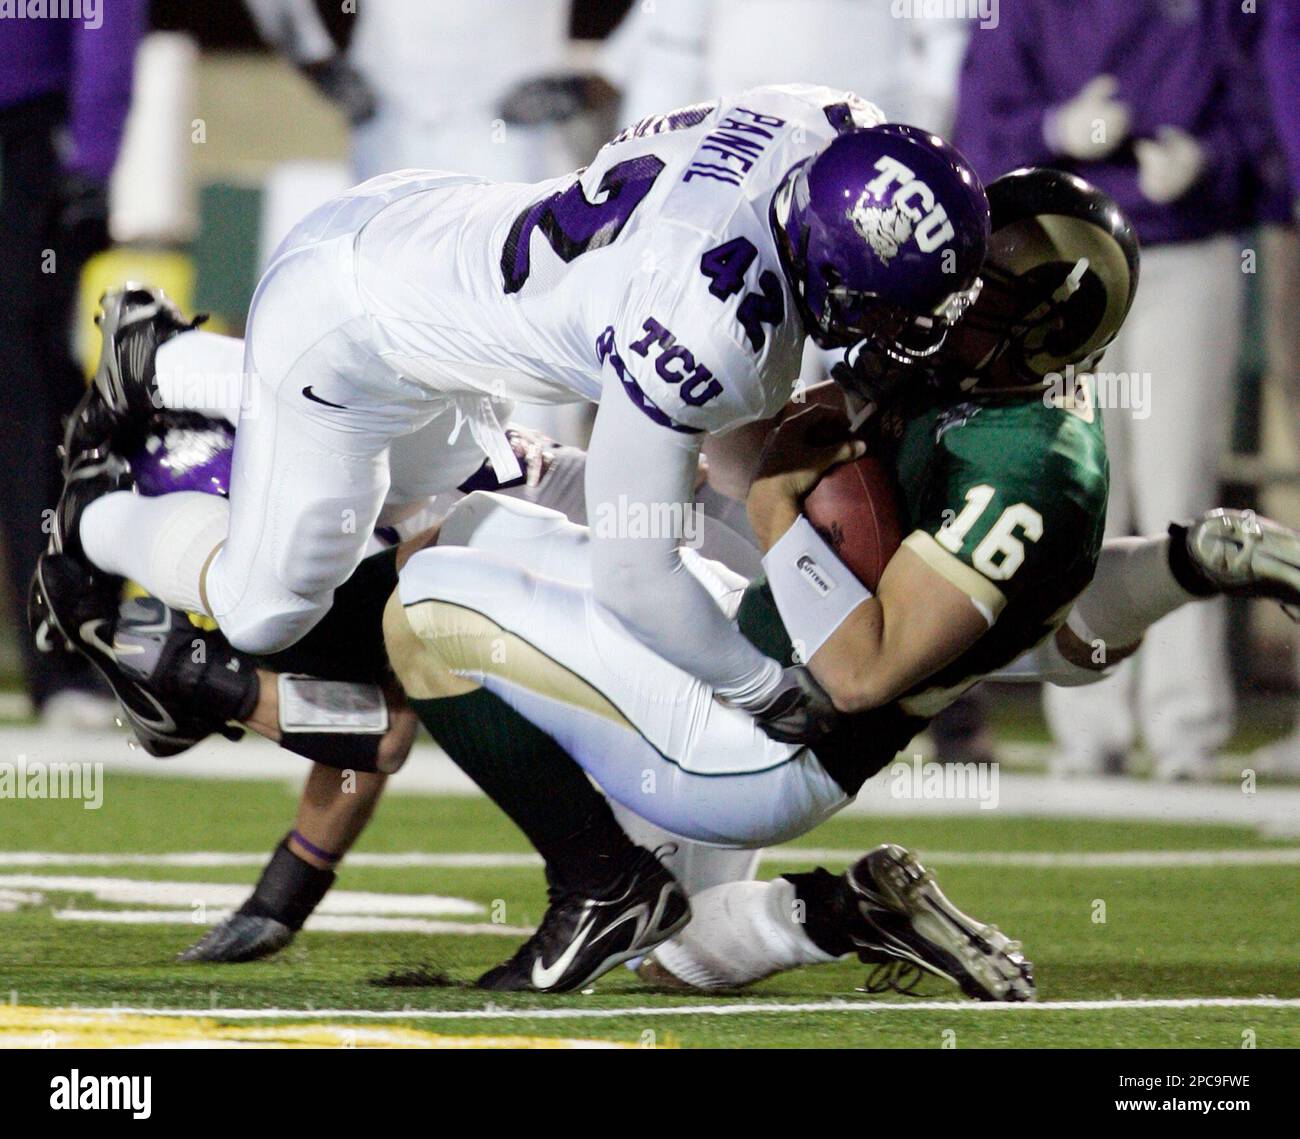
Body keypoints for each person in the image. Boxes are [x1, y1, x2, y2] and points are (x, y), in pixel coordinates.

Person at [53, 85, 990, 757]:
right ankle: (88, 524)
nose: (903, 335)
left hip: (428, 240)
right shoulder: (708, 323)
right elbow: (636, 570)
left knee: (489, 497)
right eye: (887, 309)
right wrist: (759, 688)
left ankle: (161, 359)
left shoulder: (819, 121)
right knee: (265, 609)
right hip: (351, 335)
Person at [954, 1, 1261, 780]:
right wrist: (1053, 130)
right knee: (1077, 492)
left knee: (1179, 490)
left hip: (1184, 252)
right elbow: (978, 133)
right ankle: (1088, 721)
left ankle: (1186, 724)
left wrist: (1209, 160)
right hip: (1064, 265)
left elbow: (1258, 117)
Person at [0, 0, 146, 727]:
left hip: (24, 140)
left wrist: (90, 153)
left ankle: (66, 651)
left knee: (29, 400)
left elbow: (104, 14)